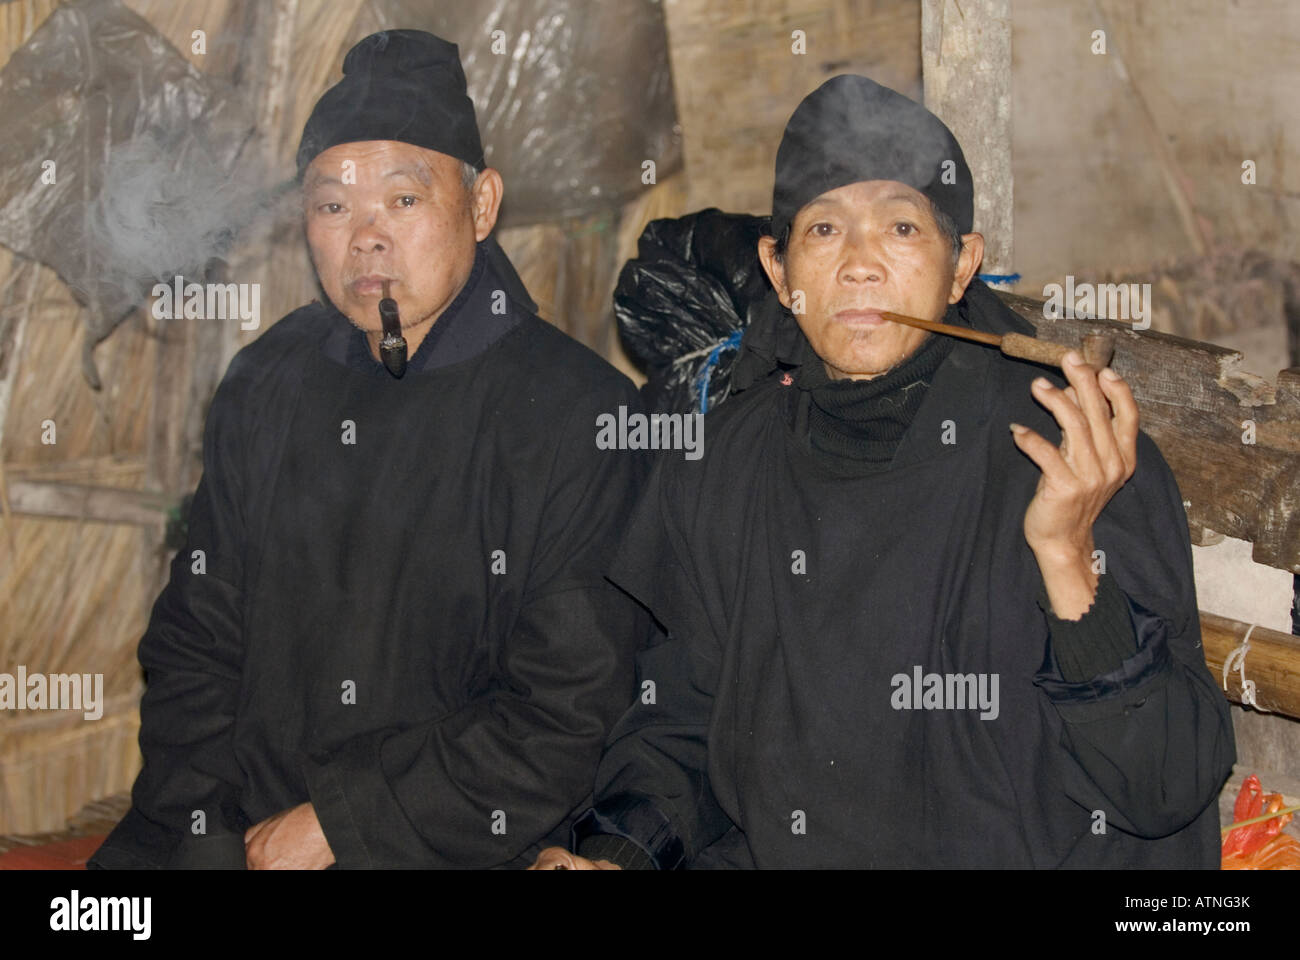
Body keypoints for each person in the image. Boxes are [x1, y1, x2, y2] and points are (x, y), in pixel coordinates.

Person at [530, 75, 1236, 870]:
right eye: (824, 230)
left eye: (901, 227)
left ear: (962, 265)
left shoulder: (1068, 451)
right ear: (777, 266)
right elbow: (689, 717)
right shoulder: (727, 463)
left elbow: (1165, 788)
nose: (860, 265)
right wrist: (619, 850)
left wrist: (1069, 557)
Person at [90, 30, 647, 869]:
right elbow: (196, 641)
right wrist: (203, 830)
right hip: (238, 835)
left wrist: (339, 825)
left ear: (483, 203)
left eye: (405, 200)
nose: (366, 238)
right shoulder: (268, 380)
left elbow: (564, 717)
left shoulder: (580, 416)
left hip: (445, 845)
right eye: (333, 205)